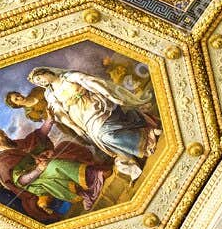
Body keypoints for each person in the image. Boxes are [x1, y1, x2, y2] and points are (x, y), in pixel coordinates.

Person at [27, 66, 159, 178]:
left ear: (45, 72)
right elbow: (60, 114)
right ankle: (134, 149)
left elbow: (93, 83)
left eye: (39, 78)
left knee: (104, 135)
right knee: (100, 138)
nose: (39, 82)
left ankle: (146, 137)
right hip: (83, 120)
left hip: (97, 108)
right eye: (36, 82)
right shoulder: (49, 94)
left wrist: (111, 96)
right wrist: (74, 127)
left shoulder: (68, 77)